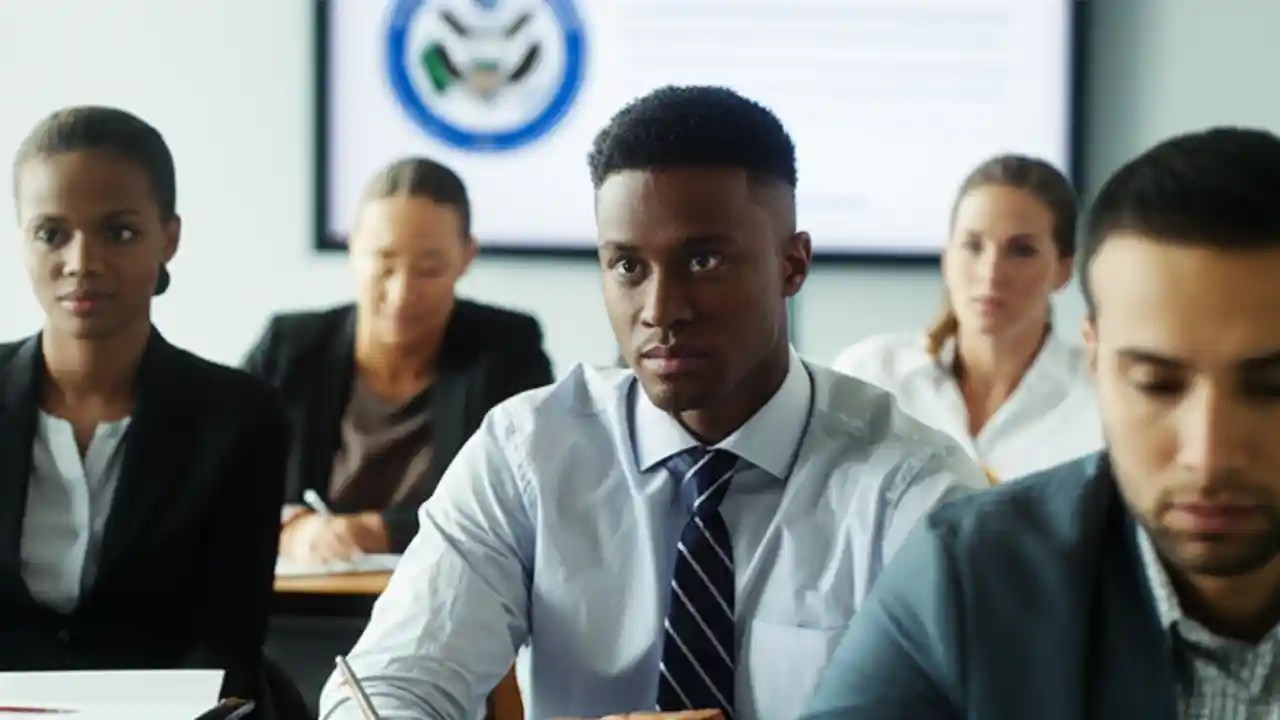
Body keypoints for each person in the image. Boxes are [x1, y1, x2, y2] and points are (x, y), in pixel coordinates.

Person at [318, 85, 985, 720]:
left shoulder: (911, 491)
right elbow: (381, 690)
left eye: (703, 262)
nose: (660, 311)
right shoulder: (527, 454)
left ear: (792, 265)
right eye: (628, 267)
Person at [803, 127, 1280, 719]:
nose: (1208, 455)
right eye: (1157, 385)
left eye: (1272, 389)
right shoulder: (964, 578)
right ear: (1097, 359)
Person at [0, 107, 288, 707]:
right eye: (51, 233)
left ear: (169, 237)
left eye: (118, 232)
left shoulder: (240, 417)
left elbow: (226, 642)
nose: (82, 262)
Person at [243, 157, 553, 561]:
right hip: (304, 610)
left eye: (429, 269)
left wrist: (376, 531)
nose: (403, 293)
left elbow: (526, 502)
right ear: (353, 248)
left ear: (466, 257)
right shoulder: (290, 348)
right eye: (384, 264)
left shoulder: (506, 350)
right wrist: (291, 528)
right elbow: (215, 479)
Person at [831, 155, 1102, 483]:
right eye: (972, 246)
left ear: (1063, 270)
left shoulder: (1099, 400)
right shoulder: (868, 378)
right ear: (947, 258)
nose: (991, 273)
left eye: (1021, 250)